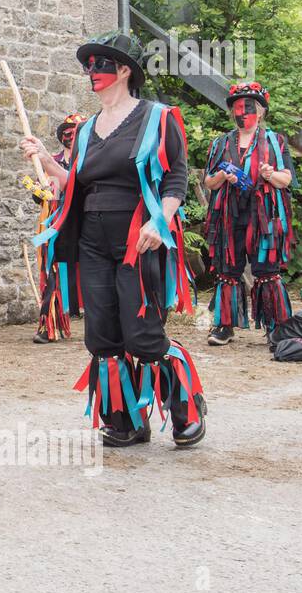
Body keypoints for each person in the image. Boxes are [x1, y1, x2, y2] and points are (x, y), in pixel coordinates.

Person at [21, 32, 206, 448]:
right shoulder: (85, 130)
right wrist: (49, 162)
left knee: (141, 333)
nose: (92, 73)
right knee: (101, 334)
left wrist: (161, 221)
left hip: (137, 233)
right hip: (91, 237)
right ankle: (125, 420)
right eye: (89, 66)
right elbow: (76, 184)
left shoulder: (158, 116)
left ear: (125, 70)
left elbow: (176, 175)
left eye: (101, 64)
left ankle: (186, 409)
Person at [203, 81, 296, 345]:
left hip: (264, 215)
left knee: (267, 269)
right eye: (238, 107)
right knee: (227, 270)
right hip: (229, 215)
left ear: (261, 111)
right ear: (232, 112)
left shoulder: (275, 142)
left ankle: (276, 327)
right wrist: (223, 174)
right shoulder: (220, 143)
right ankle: (224, 326)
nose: (244, 111)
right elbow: (209, 183)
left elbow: (286, 180)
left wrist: (269, 174)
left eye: (250, 107)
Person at [32, 114, 82, 343]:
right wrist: (41, 192)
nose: (71, 136)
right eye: (67, 131)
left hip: (84, 221)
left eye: (76, 131)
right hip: (56, 223)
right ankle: (48, 325)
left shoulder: (89, 161)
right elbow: (38, 196)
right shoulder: (50, 161)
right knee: (52, 270)